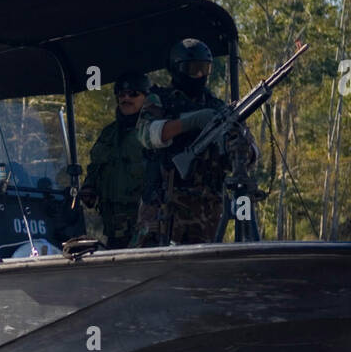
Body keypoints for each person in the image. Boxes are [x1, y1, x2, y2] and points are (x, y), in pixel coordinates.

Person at [132, 38, 256, 246]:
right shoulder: (160, 100)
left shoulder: (217, 107)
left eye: (204, 69)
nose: (199, 75)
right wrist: (192, 121)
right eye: (193, 69)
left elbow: (251, 155)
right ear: (177, 69)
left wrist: (238, 145)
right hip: (164, 207)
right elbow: (147, 135)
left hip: (207, 213)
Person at [80, 70, 149, 248]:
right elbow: (95, 167)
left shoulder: (152, 132)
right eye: (121, 94)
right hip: (112, 229)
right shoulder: (108, 134)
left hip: (145, 229)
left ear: (146, 97)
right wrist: (89, 187)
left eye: (133, 94)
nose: (126, 98)